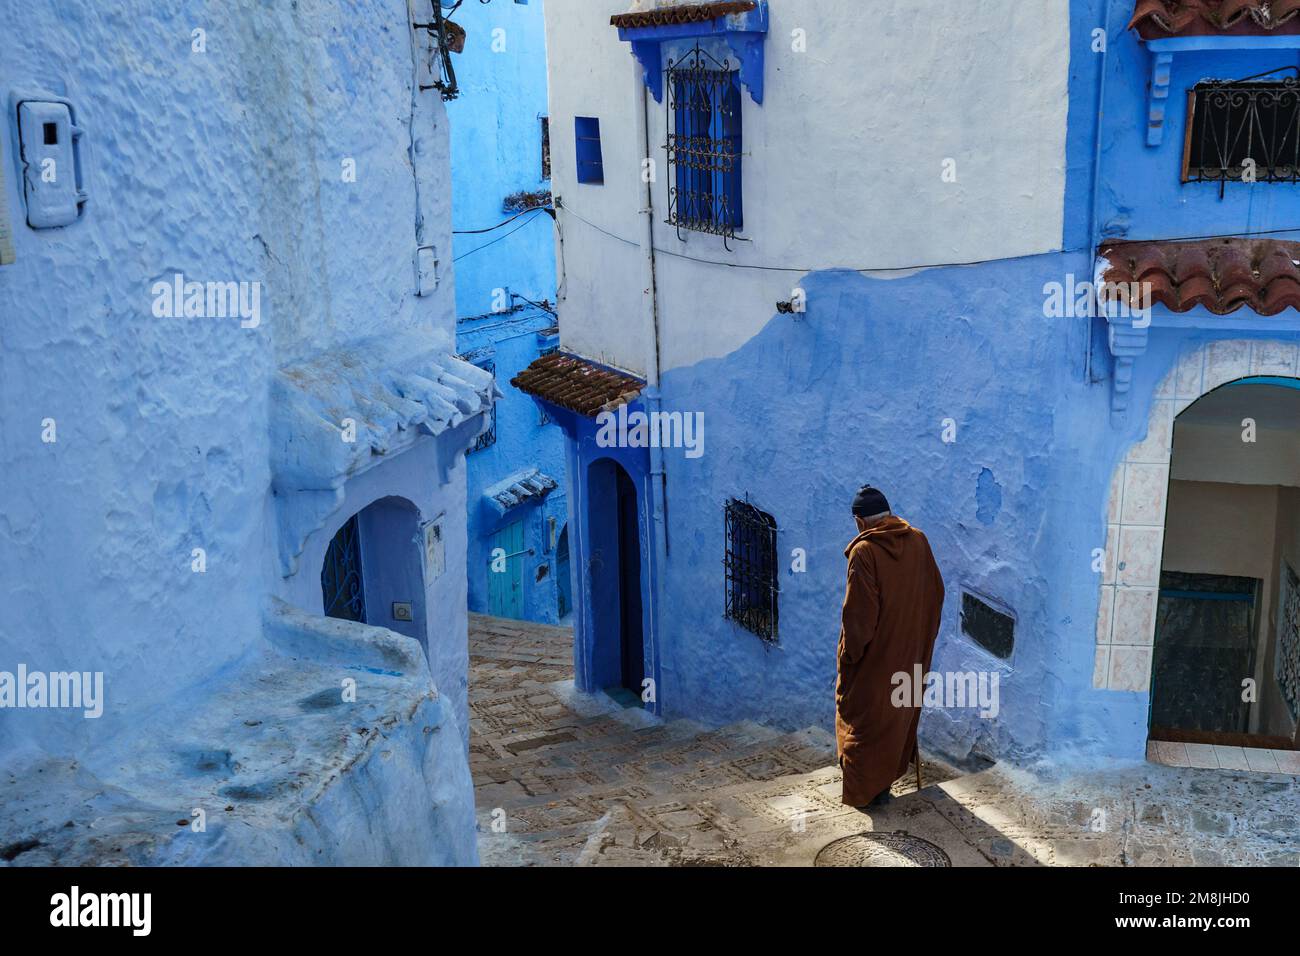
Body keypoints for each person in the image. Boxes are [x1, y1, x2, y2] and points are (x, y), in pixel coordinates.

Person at [836, 485, 945, 809]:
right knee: (896, 723)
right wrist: (920, 640)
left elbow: (859, 617)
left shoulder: (864, 553)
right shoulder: (919, 541)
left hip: (876, 663)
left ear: (860, 521)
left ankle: (867, 796)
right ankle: (882, 788)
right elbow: (935, 594)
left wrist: (849, 656)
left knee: (862, 727)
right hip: (911, 658)